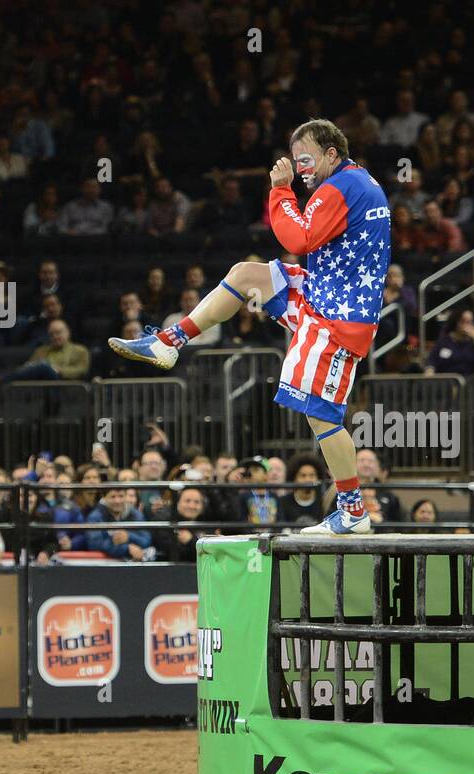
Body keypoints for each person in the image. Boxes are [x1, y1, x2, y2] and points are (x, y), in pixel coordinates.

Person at [108, 119, 388, 535]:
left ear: (332, 154)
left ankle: (353, 511)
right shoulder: (356, 183)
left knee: (322, 415)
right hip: (324, 297)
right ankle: (169, 340)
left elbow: (296, 240)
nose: (300, 168)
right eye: (295, 162)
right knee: (245, 275)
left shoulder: (342, 187)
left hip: (335, 317)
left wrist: (279, 189)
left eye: (306, 159)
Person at [87, 486, 151, 560]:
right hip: (105, 565)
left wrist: (128, 536)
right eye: (112, 497)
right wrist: (127, 548)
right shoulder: (95, 517)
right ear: (104, 498)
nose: (117, 501)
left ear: (126, 497)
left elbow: (147, 540)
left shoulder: (136, 514)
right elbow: (94, 544)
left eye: (121, 496)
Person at [278, 453, 326, 529]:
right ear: (294, 478)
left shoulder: (324, 501)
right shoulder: (283, 502)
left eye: (312, 475)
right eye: (303, 476)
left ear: (318, 478)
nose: (308, 479)